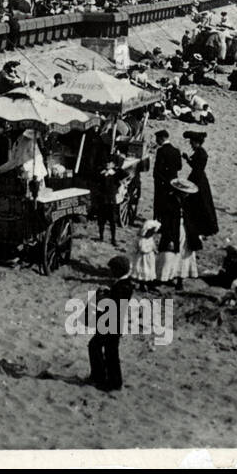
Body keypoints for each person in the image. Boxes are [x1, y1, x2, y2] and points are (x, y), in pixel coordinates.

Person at [88, 256, 133, 392]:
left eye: (112, 269)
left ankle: (107, 380)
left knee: (100, 349)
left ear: (119, 270)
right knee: (108, 352)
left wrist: (103, 296)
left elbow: (114, 303)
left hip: (110, 323)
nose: (110, 272)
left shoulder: (122, 286)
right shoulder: (124, 283)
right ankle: (106, 379)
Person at [181, 131, 219, 238]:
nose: (191, 144)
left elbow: (197, 168)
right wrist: (188, 159)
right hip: (200, 179)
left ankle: (200, 227)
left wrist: (188, 160)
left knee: (198, 203)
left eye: (192, 142)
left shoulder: (201, 153)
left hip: (197, 179)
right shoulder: (200, 152)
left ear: (196, 142)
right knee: (202, 203)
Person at [151, 129, 182, 250]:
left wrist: (160, 178)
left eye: (157, 139)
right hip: (173, 182)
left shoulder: (161, 151)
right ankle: (165, 224)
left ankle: (158, 224)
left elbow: (157, 168)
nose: (156, 141)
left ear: (162, 138)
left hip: (162, 182)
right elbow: (179, 167)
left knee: (159, 203)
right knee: (169, 203)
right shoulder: (176, 151)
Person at [93, 159, 122, 245]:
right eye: (106, 163)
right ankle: (101, 237)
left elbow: (124, 174)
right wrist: (104, 173)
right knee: (101, 219)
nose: (107, 164)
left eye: (109, 163)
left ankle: (113, 239)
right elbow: (96, 179)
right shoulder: (102, 172)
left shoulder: (115, 173)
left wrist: (114, 170)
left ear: (113, 164)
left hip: (111, 201)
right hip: (102, 199)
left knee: (112, 220)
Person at [131, 219, 159, 289]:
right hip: (143, 258)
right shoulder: (141, 239)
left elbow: (153, 245)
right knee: (143, 270)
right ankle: (142, 285)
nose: (151, 234)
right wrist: (150, 249)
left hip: (150, 258)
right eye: (150, 232)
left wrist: (154, 249)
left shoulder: (150, 238)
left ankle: (149, 283)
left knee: (150, 270)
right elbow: (142, 249)